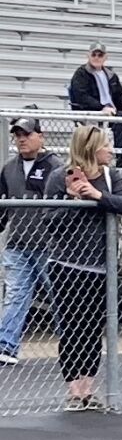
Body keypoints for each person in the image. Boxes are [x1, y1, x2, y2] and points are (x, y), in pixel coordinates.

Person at [42, 126, 122, 410]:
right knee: (72, 327)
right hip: (67, 265)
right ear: (91, 148)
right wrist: (75, 201)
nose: (111, 149)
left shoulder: (111, 176)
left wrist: (97, 196)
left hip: (101, 266)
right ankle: (74, 390)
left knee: (94, 327)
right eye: (106, 145)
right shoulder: (60, 177)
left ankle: (88, 387)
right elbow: (50, 220)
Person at [0, 117, 62, 366]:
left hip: (49, 245)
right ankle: (6, 346)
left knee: (60, 295)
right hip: (18, 243)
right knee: (15, 294)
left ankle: (73, 343)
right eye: (17, 135)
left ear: (40, 136)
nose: (22, 139)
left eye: (26, 134)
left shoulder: (56, 166)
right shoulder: (8, 168)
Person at [68, 43, 122, 170]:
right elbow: (82, 96)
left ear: (105, 57)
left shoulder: (111, 75)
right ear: (88, 56)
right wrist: (101, 107)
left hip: (112, 110)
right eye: (94, 54)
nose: (97, 57)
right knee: (120, 118)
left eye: (100, 55)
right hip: (95, 111)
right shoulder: (81, 74)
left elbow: (120, 94)